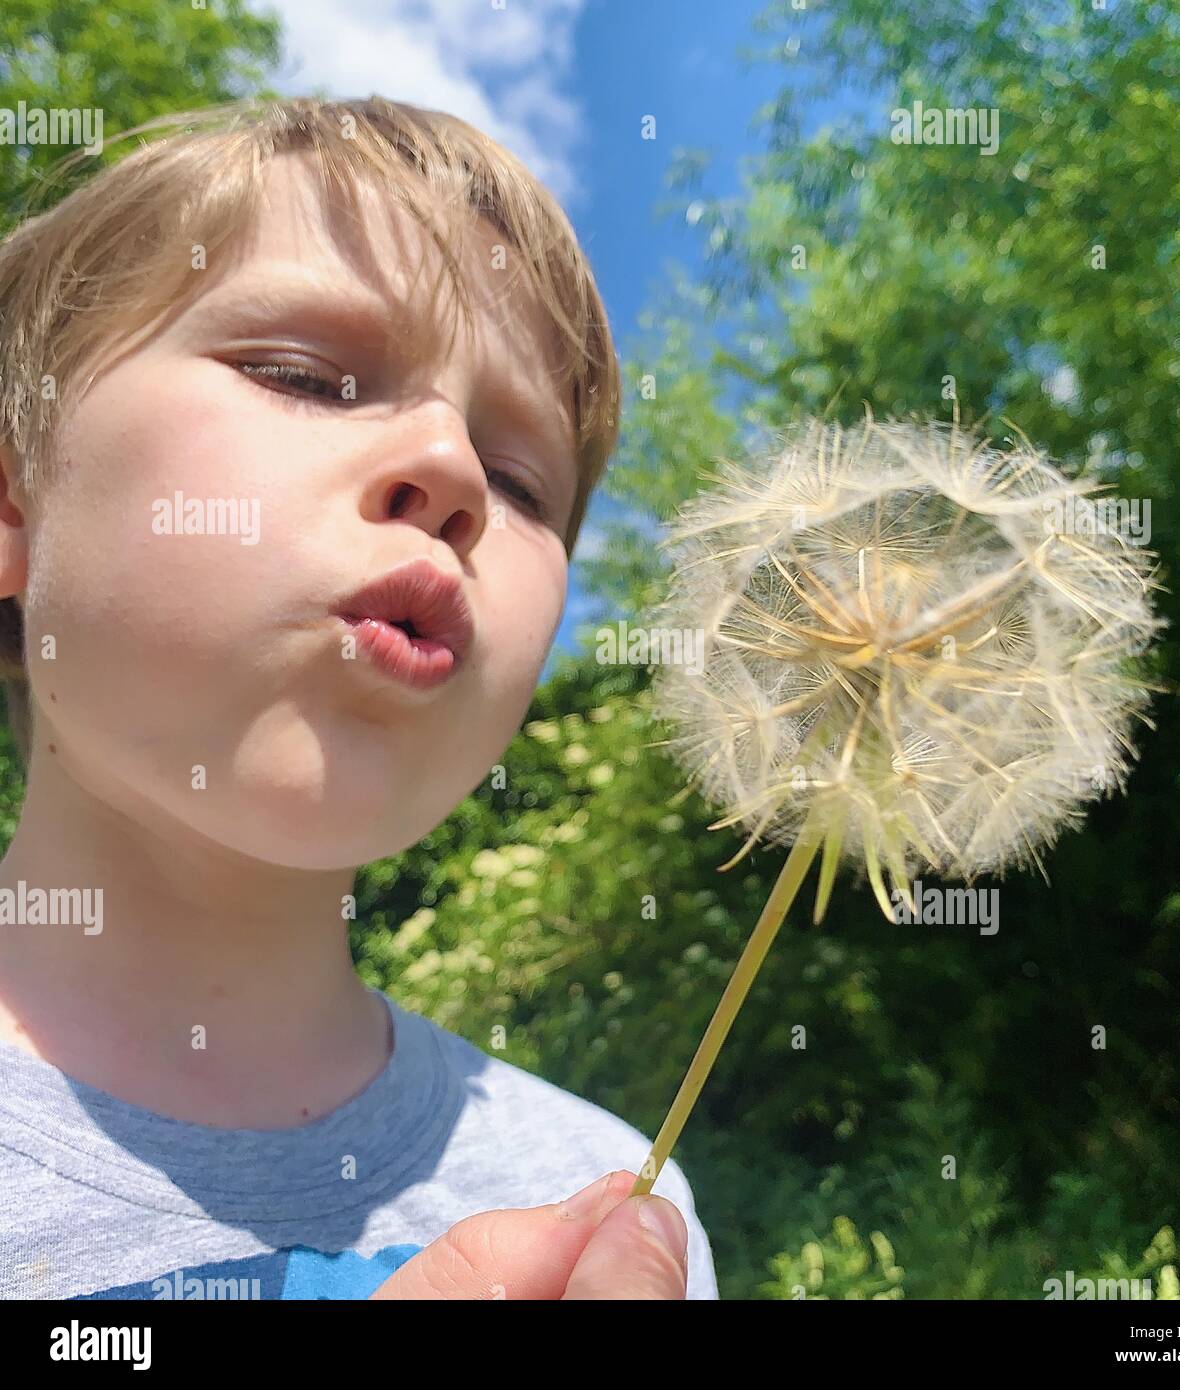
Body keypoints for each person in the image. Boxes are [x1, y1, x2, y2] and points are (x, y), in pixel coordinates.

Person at [0, 96, 716, 1300]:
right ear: (17, 503)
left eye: (520, 481)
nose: (448, 475)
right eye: (306, 376)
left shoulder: (618, 1199)